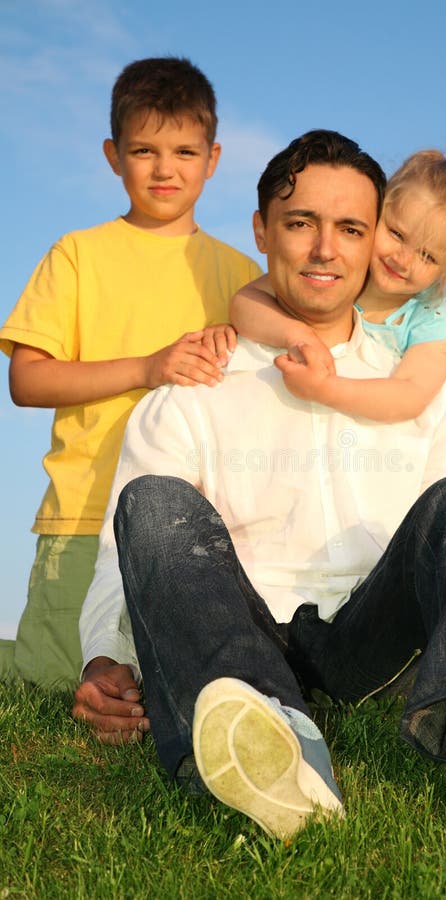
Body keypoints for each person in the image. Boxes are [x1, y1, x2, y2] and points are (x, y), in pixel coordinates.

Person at [73, 130, 446, 840]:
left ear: (372, 235)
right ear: (262, 231)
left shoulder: (436, 396)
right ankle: (277, 744)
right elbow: (125, 552)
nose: (327, 250)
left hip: (370, 637)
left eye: (351, 228)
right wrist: (106, 659)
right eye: (301, 224)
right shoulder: (196, 383)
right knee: (152, 503)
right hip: (238, 631)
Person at [0, 57, 262, 687]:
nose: (165, 168)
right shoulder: (77, 254)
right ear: (113, 155)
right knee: (54, 681)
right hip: (83, 513)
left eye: (184, 151)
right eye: (144, 150)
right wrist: (149, 367)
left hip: (193, 520)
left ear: (214, 158)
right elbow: (27, 381)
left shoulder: (242, 279)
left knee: (171, 684)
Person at [226, 150, 446, 422]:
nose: (403, 260)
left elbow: (410, 396)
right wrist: (298, 335)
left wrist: (326, 389)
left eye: (428, 256)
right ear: (378, 212)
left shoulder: (432, 317)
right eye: (397, 234)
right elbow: (246, 302)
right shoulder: (344, 273)